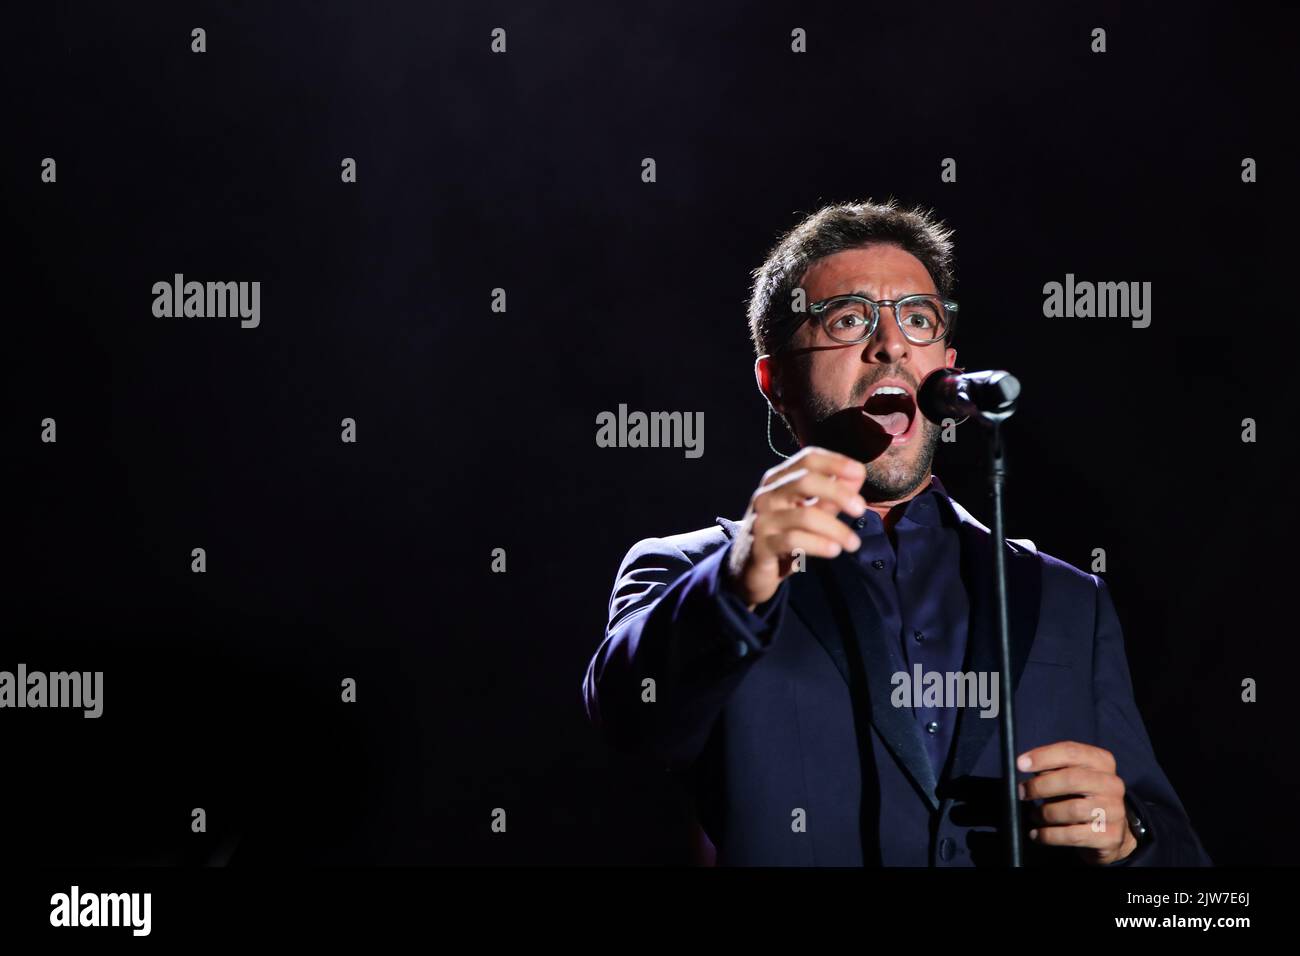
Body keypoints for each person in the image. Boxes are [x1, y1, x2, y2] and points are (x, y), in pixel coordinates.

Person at [582, 198, 1211, 866]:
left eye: (918, 319)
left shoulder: (1067, 598)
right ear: (775, 381)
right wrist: (739, 584)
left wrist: (1129, 839)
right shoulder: (691, 571)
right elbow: (631, 722)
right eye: (848, 318)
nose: (891, 344)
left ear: (948, 364)